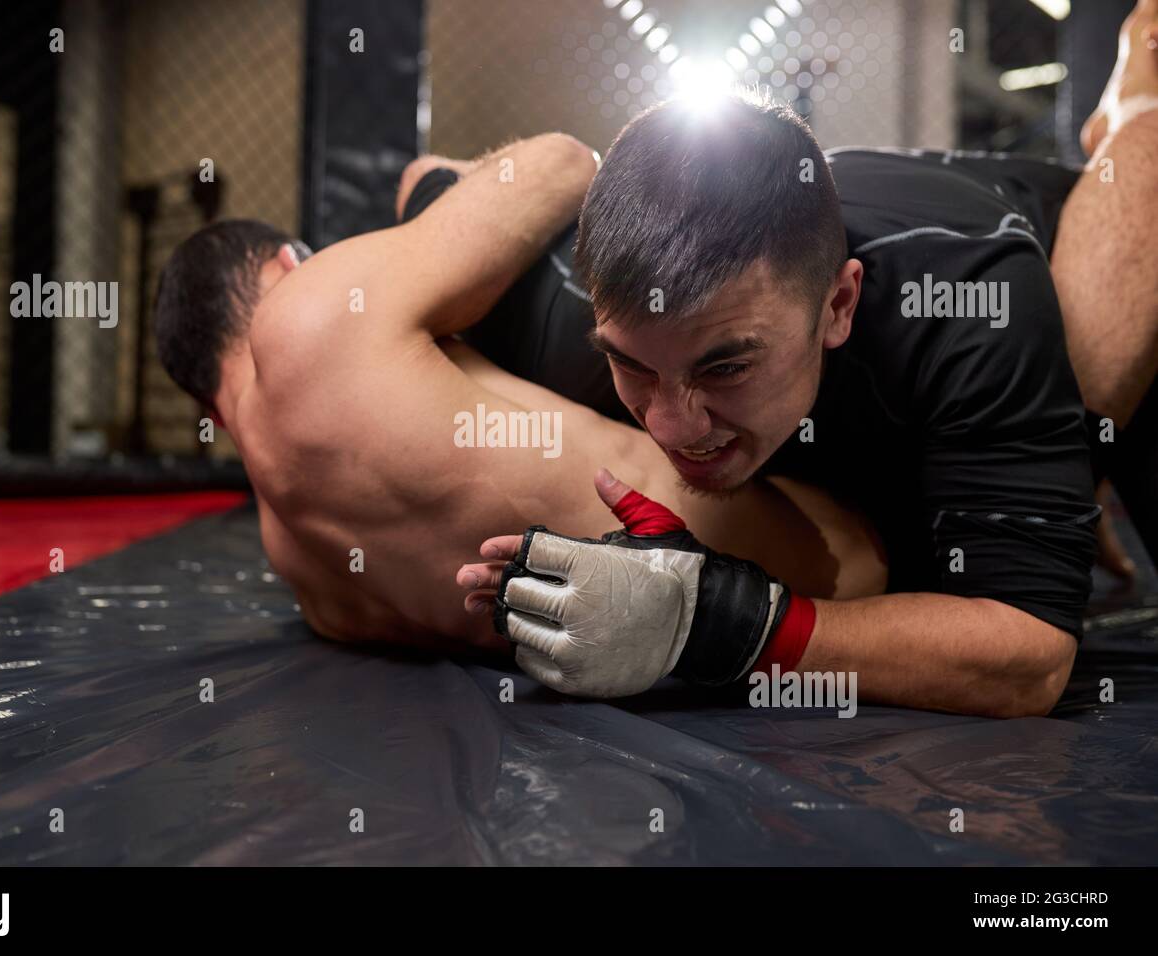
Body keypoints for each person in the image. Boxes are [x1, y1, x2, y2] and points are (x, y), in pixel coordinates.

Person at [457, 1, 1158, 717]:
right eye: (633, 367)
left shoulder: (966, 303)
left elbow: (1030, 660)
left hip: (1064, 253)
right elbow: (426, 175)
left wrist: (733, 626)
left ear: (838, 307)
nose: (669, 429)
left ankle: (1138, 110)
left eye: (725, 367)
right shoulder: (560, 300)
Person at [152, 134, 887, 658]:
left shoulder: (309, 583)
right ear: (291, 265)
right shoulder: (310, 310)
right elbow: (566, 164)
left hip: (715, 649)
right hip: (848, 566)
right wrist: (440, 178)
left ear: (211, 413)